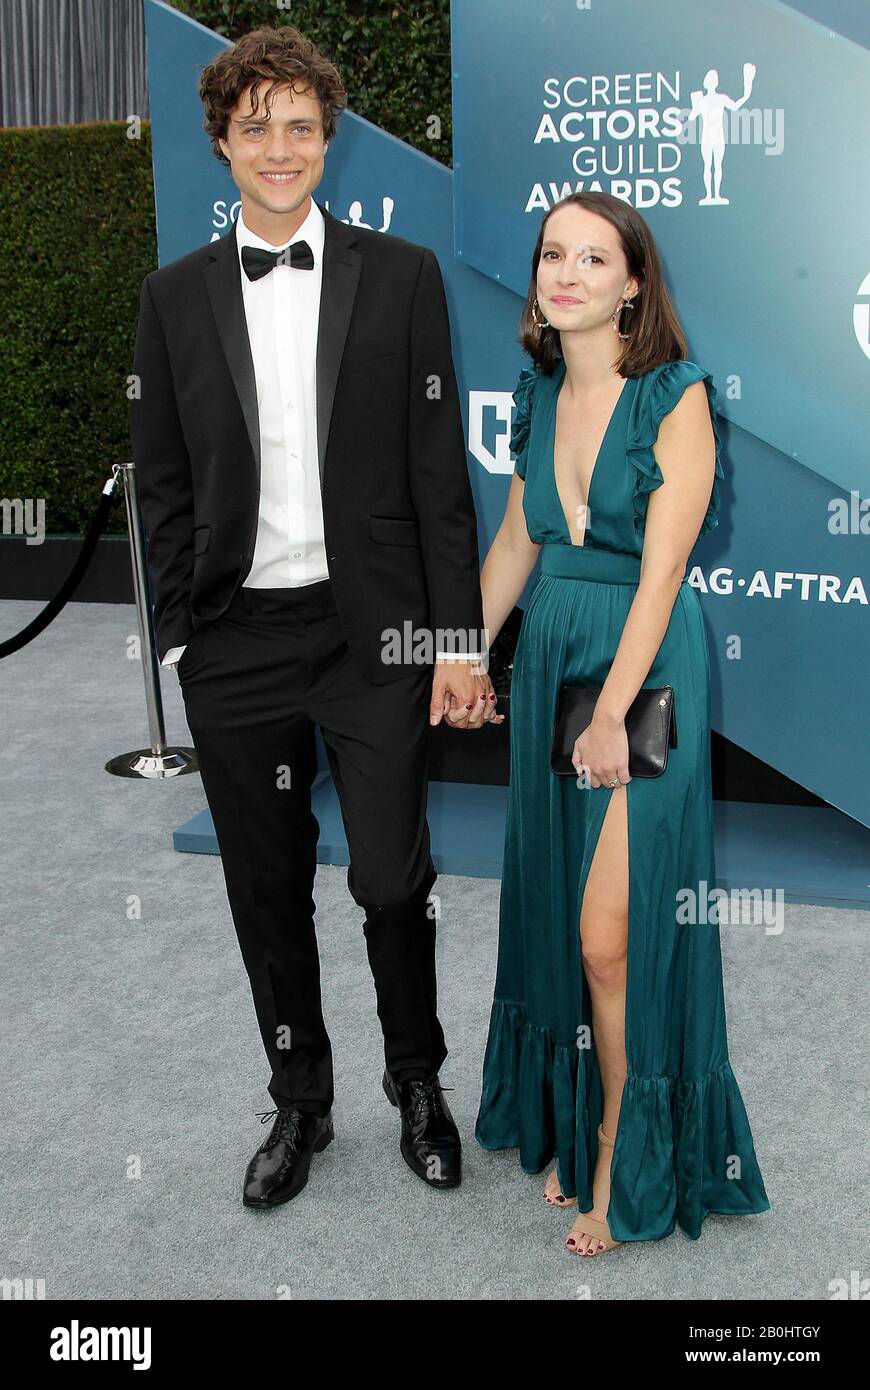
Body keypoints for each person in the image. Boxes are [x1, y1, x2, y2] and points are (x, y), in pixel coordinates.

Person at [129, 24, 500, 1209]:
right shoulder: (175, 298)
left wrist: (453, 640)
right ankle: (302, 1102)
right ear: (222, 144)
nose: (278, 148)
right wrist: (185, 635)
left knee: (393, 877)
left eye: (300, 125)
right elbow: (162, 479)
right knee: (265, 888)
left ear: (328, 140)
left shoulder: (400, 279)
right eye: (256, 127)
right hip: (238, 643)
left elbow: (441, 474)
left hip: (374, 633)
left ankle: (419, 1083)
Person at [474, 191, 771, 1254]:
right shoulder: (540, 387)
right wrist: (466, 645)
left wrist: (611, 713)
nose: (566, 272)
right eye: (554, 253)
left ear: (635, 282)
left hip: (639, 666)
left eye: (594, 257)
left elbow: (663, 573)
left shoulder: (675, 395)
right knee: (560, 903)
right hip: (554, 639)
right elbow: (518, 538)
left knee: (611, 934)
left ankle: (617, 1143)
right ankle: (577, 1111)